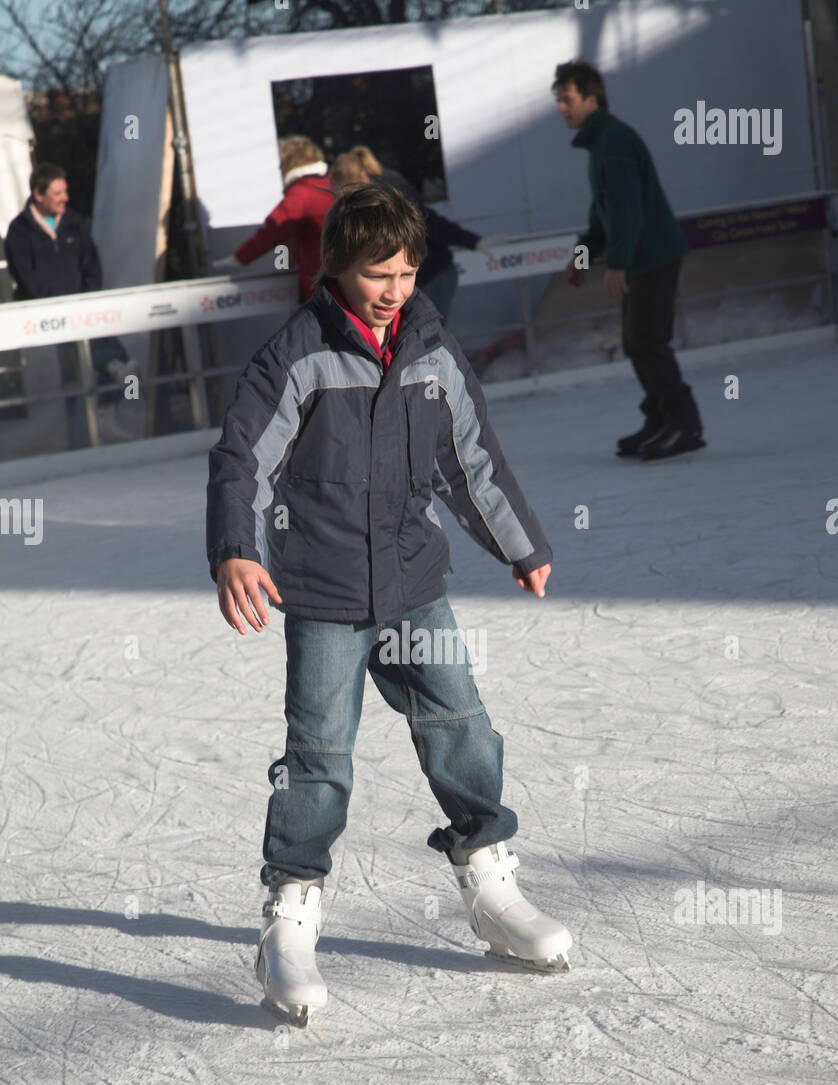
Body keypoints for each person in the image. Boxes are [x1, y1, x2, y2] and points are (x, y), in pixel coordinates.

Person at [206, 181, 572, 1027]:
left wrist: (521, 544)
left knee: (463, 727)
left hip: (412, 584)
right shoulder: (298, 354)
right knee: (319, 755)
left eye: (408, 272)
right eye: (379, 273)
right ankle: (290, 915)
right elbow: (242, 461)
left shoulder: (431, 351)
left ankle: (488, 879)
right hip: (327, 591)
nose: (396, 289)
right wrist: (235, 547)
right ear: (336, 267)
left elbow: (468, 461)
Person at [553, 60, 705, 461]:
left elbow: (627, 211)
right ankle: (659, 420)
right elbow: (601, 213)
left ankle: (682, 424)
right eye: (558, 100)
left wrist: (617, 263)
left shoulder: (614, 142)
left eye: (567, 99)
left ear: (592, 99)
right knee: (638, 344)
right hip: (642, 257)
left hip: (651, 256)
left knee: (648, 342)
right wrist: (583, 255)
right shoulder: (601, 144)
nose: (561, 108)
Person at [4, 162, 136, 443]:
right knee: (73, 372)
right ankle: (109, 376)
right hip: (46, 319)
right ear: (39, 195)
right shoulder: (18, 231)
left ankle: (107, 411)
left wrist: (85, 299)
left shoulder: (73, 220)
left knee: (101, 344)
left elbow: (91, 263)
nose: (65, 198)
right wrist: (57, 307)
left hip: (82, 309)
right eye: (58, 193)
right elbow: (26, 277)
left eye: (65, 191)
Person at [329, 145, 505, 324]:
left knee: (425, 334)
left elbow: (429, 222)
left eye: (345, 192)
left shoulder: (390, 193)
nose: (345, 199)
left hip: (432, 274)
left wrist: (474, 241)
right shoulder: (379, 190)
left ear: (360, 178)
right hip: (422, 275)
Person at [215, 136, 334, 302]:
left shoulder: (301, 194)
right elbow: (288, 236)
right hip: (338, 277)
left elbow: (274, 231)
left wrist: (239, 258)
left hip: (319, 282)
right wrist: (283, 266)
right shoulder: (329, 184)